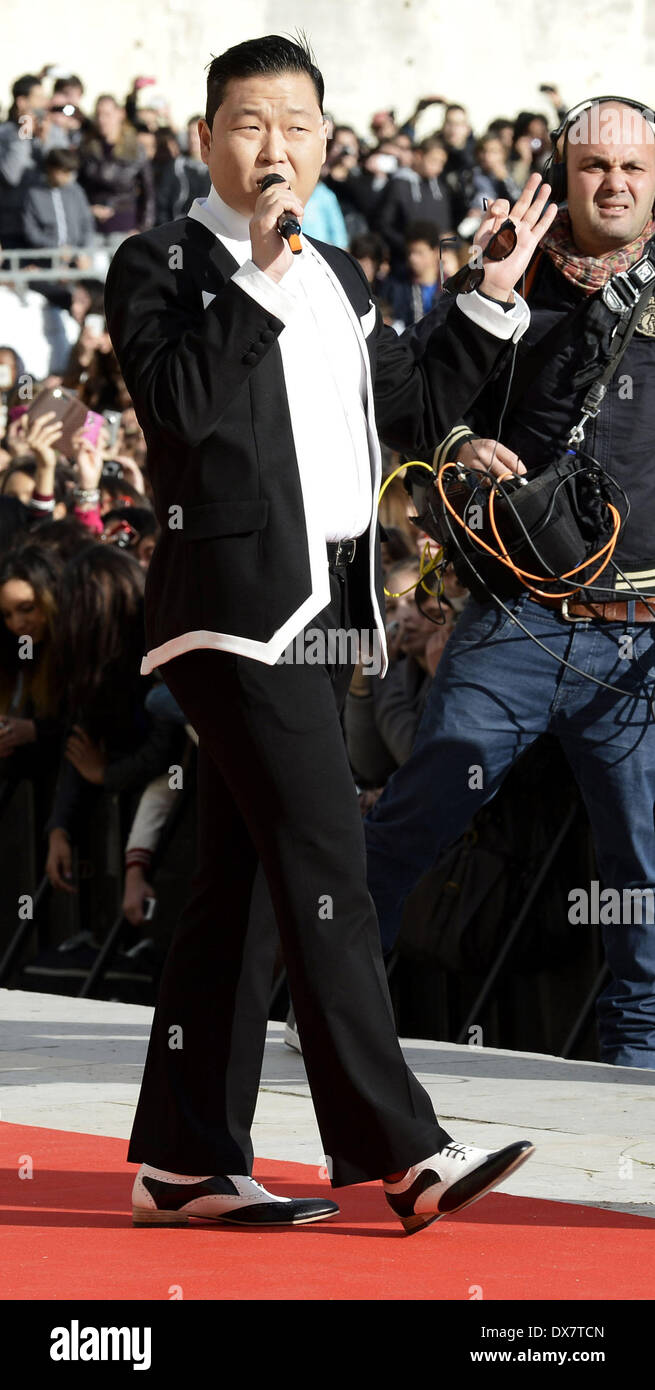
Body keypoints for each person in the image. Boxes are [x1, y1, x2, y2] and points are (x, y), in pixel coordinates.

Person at [104, 33, 556, 1234]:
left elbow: (401, 409)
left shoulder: (343, 276)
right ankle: (400, 1150)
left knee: (239, 892)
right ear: (206, 140)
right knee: (326, 866)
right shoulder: (161, 263)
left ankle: (185, 1158)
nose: (275, 147)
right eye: (251, 125)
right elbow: (184, 415)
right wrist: (255, 273)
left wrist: (488, 298)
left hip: (329, 615)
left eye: (298, 126)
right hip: (231, 617)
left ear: (325, 141)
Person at [365, 96, 655, 1071]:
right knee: (417, 814)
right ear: (561, 175)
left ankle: (631, 1097)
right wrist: (460, 442)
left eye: (632, 168)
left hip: (640, 635)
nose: (613, 184)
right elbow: (419, 405)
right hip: (517, 621)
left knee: (642, 886)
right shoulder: (506, 266)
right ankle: (329, 1009)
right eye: (593, 167)